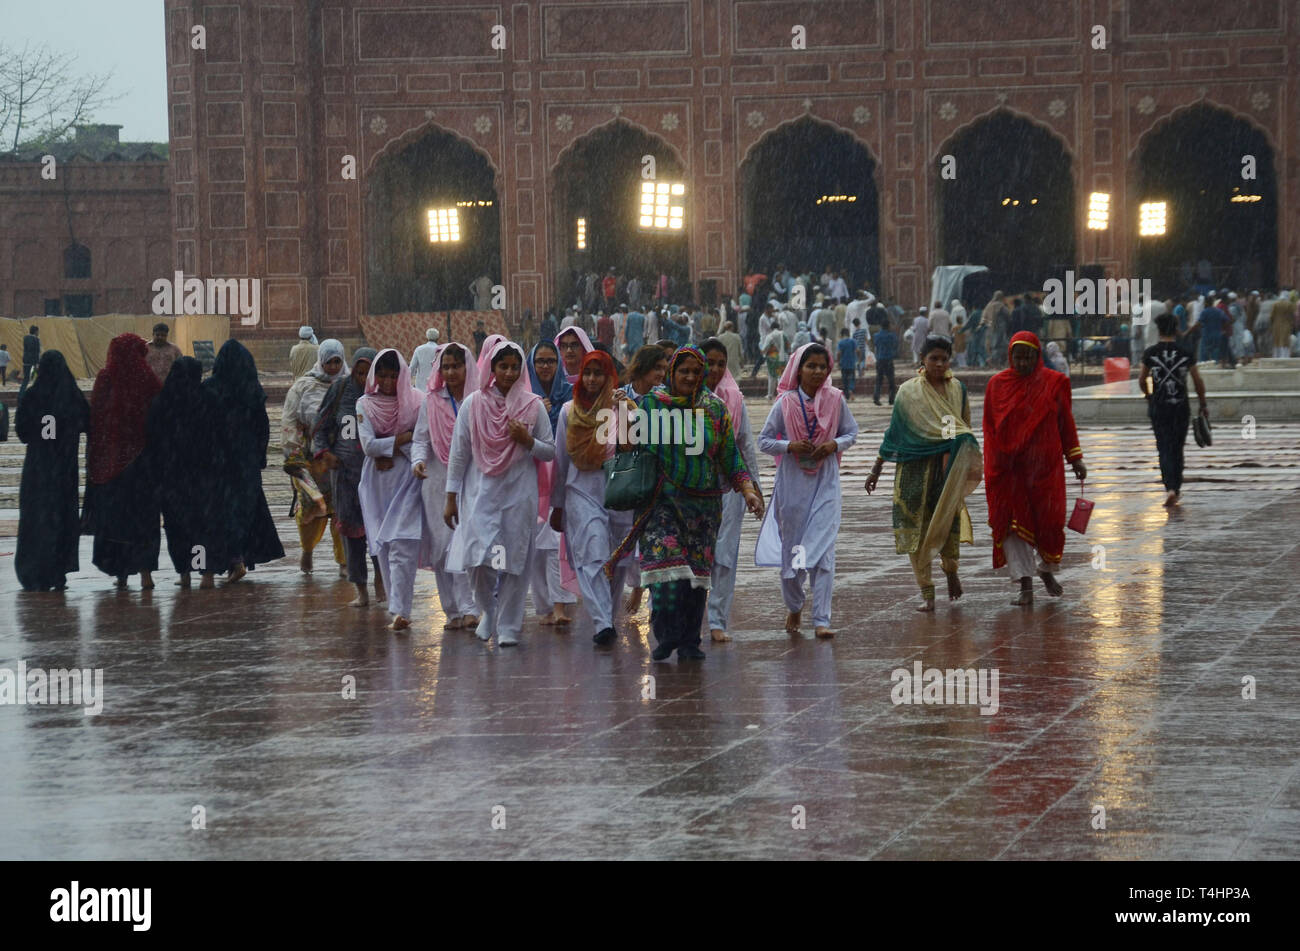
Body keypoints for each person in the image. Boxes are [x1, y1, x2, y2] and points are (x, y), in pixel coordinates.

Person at [607, 346, 762, 661]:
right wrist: (623, 414)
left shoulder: (715, 410)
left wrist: (747, 490)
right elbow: (627, 446)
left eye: (695, 372)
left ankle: (691, 641)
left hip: (703, 510)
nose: (690, 377)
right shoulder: (651, 404)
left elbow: (730, 457)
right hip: (660, 504)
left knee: (695, 579)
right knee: (665, 574)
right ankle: (665, 636)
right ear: (672, 374)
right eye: (683, 372)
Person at [445, 339, 556, 646]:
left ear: (522, 369)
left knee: (515, 561)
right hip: (480, 495)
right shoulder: (473, 404)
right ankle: (488, 611)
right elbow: (459, 453)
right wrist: (450, 497)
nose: (509, 372)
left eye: (514, 367)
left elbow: (550, 452)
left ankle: (509, 626)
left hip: (519, 494)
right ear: (492, 369)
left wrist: (527, 440)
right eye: (503, 366)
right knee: (477, 560)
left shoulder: (533, 405)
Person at [865, 336, 982, 611]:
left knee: (947, 524)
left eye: (944, 359)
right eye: (934, 359)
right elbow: (894, 433)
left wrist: (958, 461)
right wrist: (876, 469)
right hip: (913, 470)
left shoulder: (958, 390)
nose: (939, 364)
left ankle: (951, 571)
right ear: (922, 359)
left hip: (945, 468)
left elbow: (962, 429)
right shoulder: (908, 392)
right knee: (916, 528)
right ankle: (926, 593)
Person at [755, 343, 858, 637]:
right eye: (810, 366)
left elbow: (851, 432)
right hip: (792, 488)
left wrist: (834, 444)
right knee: (795, 552)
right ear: (798, 369)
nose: (817, 371)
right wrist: (789, 446)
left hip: (826, 483)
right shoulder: (785, 403)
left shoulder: (836, 400)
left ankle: (822, 620)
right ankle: (795, 604)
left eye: (822, 367)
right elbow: (764, 441)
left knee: (824, 552)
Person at [983, 331, 1086, 606]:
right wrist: (995, 463)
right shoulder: (997, 385)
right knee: (1014, 528)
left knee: (1051, 523)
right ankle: (1025, 586)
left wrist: (1075, 458)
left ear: (1037, 356)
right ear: (1010, 357)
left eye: (1028, 357)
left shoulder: (1055, 383)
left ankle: (1046, 570)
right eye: (1018, 357)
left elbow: (1066, 423)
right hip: (1010, 471)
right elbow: (990, 428)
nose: (1023, 363)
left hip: (1046, 469)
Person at [549, 349, 635, 646]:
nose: (592, 379)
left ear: (609, 376)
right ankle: (601, 622)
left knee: (617, 561)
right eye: (588, 373)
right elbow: (560, 462)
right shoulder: (567, 412)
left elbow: (634, 449)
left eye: (599, 373)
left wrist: (630, 412)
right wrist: (557, 506)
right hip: (580, 493)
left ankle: (607, 617)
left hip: (618, 493)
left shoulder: (620, 410)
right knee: (592, 555)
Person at [201, 340, 286, 586]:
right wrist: (259, 455)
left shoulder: (210, 389)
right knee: (243, 512)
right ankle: (236, 558)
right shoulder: (251, 389)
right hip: (245, 460)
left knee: (219, 513)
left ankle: (231, 561)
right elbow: (263, 426)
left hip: (218, 462)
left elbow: (201, 427)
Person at [81, 334, 162, 590]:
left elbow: (96, 420)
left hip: (112, 466)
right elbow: (158, 417)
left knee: (117, 521)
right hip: (143, 464)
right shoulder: (146, 378)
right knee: (144, 519)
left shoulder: (106, 378)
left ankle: (121, 573)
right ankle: (146, 573)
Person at [358, 349, 426, 631]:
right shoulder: (364, 404)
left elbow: (422, 440)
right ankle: (396, 605)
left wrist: (394, 446)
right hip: (377, 484)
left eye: (393, 375)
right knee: (383, 545)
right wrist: (401, 440)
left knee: (403, 543)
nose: (387, 381)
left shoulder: (417, 401)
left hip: (409, 477)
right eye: (382, 375)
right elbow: (368, 446)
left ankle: (401, 609)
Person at [412, 343, 478, 627]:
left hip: (472, 477)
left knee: (462, 544)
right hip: (436, 479)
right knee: (441, 547)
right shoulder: (432, 401)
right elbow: (420, 439)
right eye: (445, 367)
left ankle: (469, 607)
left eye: (456, 366)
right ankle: (451, 610)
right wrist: (417, 461)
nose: (451, 372)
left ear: (467, 367)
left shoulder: (478, 400)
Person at [701, 339, 763, 642]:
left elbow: (745, 445)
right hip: (691, 491)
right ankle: (689, 617)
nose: (713, 369)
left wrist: (754, 488)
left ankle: (717, 620)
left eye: (719, 364)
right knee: (694, 555)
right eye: (708, 362)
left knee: (725, 554)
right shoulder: (679, 400)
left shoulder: (734, 399)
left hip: (728, 489)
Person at [314, 347, 386, 607]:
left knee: (379, 532)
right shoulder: (340, 391)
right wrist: (325, 454)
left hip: (377, 473)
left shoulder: (385, 393)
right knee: (351, 534)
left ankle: (382, 583)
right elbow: (320, 427)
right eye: (360, 371)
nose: (364, 377)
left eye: (370, 372)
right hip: (345, 474)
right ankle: (361, 590)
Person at [14, 350, 88, 591]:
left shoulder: (34, 395)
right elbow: (87, 423)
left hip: (39, 468)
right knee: (62, 517)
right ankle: (58, 570)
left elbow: (23, 432)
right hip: (64, 468)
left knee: (38, 519)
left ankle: (36, 570)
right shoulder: (72, 395)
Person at [146, 357, 219, 588]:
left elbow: (153, 441)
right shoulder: (208, 399)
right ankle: (206, 573)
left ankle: (184, 572)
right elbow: (219, 437)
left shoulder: (162, 402)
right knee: (202, 525)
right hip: (202, 475)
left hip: (171, 477)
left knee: (177, 526)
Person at [282, 339, 348, 576]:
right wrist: (293, 454)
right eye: (328, 362)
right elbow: (290, 420)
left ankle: (344, 561)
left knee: (343, 510)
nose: (332, 367)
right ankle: (307, 550)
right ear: (321, 361)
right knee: (310, 512)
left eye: (337, 362)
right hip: (312, 461)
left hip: (340, 460)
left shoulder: (349, 385)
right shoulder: (302, 387)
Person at [614, 345, 670, 615]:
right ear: (642, 369)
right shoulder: (618, 396)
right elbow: (620, 442)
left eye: (664, 368)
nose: (662, 373)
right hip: (625, 476)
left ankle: (645, 594)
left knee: (652, 537)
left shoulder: (664, 398)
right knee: (626, 536)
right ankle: (625, 590)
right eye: (657, 368)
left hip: (656, 478)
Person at [526, 339, 576, 626]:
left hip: (562, 475)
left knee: (558, 541)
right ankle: (544, 606)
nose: (545, 366)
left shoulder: (570, 394)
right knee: (535, 545)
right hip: (531, 477)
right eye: (540, 361)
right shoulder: (524, 396)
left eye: (551, 361)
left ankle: (560, 604)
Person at [1139, 313, 1208, 506]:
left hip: (1159, 408)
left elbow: (1141, 379)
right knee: (1177, 448)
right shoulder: (1186, 352)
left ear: (1159, 330)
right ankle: (1175, 489)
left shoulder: (1150, 353)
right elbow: (1197, 381)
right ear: (1176, 329)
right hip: (1180, 407)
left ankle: (1168, 487)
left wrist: (1149, 397)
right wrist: (1203, 404)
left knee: (1163, 447)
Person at [761, 316, 788, 399]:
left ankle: (770, 395)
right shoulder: (783, 334)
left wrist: (763, 354)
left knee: (772, 377)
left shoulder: (770, 336)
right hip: (782, 358)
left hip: (772, 359)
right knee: (780, 376)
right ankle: (781, 393)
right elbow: (787, 345)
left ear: (771, 328)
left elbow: (765, 348)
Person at [873, 318, 899, 405]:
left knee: (879, 380)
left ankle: (876, 397)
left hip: (880, 359)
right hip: (888, 359)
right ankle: (891, 399)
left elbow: (875, 344)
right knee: (891, 381)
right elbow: (895, 344)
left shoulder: (876, 335)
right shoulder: (892, 335)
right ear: (888, 326)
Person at [1270, 292, 1297, 358]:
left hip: (1276, 325)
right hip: (1286, 325)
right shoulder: (1290, 304)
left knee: (1277, 341)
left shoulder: (1275, 304)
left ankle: (1276, 356)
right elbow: (1292, 315)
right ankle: (1285, 356)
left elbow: (1271, 316)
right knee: (1285, 341)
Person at [836, 327, 858, 399]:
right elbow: (858, 350)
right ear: (848, 334)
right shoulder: (853, 341)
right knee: (852, 378)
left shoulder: (840, 342)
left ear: (842, 334)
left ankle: (846, 395)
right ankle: (851, 390)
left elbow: (839, 353)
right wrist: (859, 359)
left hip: (844, 364)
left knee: (845, 379)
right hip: (852, 363)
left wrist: (838, 362)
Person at [20, 325, 40, 394]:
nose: (38, 333)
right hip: (33, 362)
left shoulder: (25, 338)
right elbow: (37, 352)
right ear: (35, 331)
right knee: (40, 377)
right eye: (38, 331)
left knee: (26, 380)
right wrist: (37, 363)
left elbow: (26, 349)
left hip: (25, 361)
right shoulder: (36, 339)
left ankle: (20, 396)